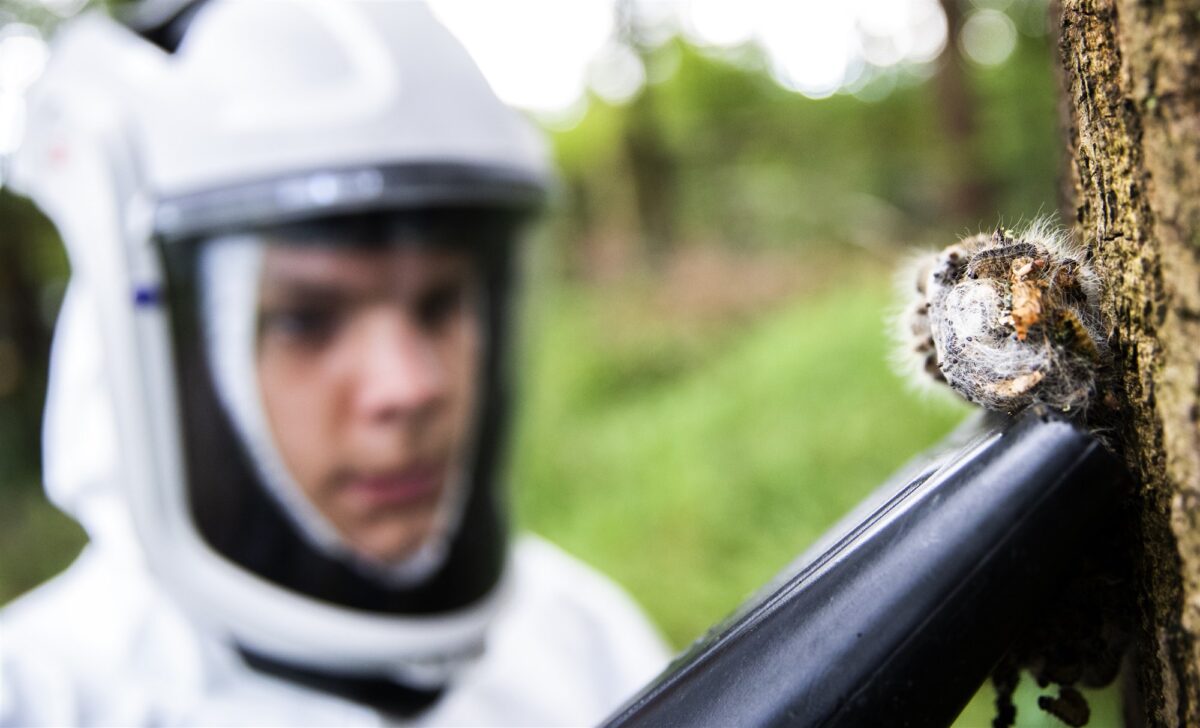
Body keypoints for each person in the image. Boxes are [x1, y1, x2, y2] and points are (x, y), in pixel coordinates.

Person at [0, 1, 669, 725]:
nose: (411, 387)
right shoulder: (43, 698)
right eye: (306, 320)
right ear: (163, 356)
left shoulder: (579, 634)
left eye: (440, 304)